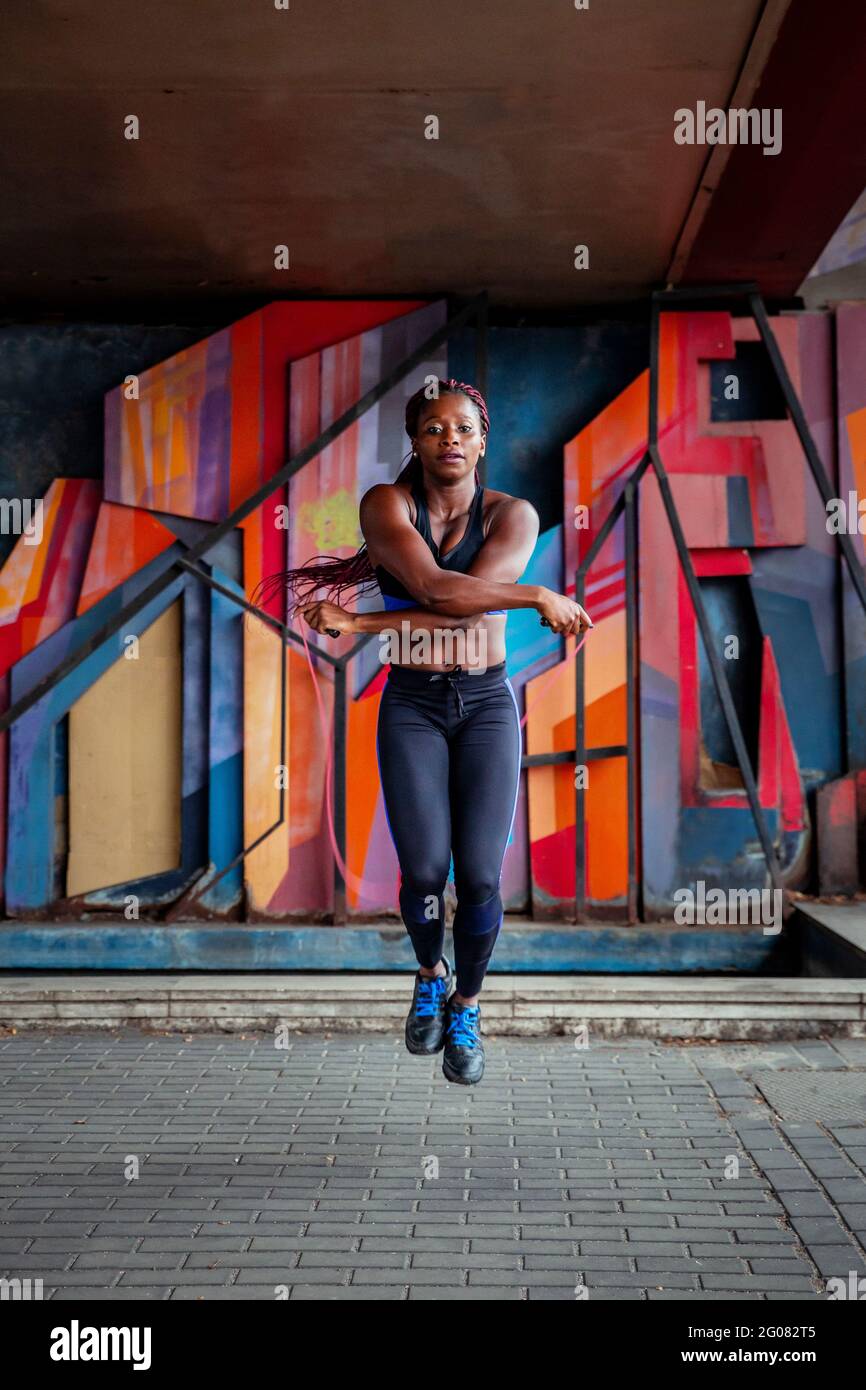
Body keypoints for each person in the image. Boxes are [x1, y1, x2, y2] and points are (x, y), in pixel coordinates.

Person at [262, 379, 591, 1084]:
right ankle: (429, 973)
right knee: (420, 872)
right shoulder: (387, 505)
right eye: (435, 428)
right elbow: (444, 592)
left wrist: (362, 623)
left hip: (485, 708)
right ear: (414, 439)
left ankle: (466, 1007)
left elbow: (469, 612)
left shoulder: (516, 515)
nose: (450, 439)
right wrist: (535, 595)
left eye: (464, 428)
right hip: (411, 704)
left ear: (483, 440)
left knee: (477, 875)